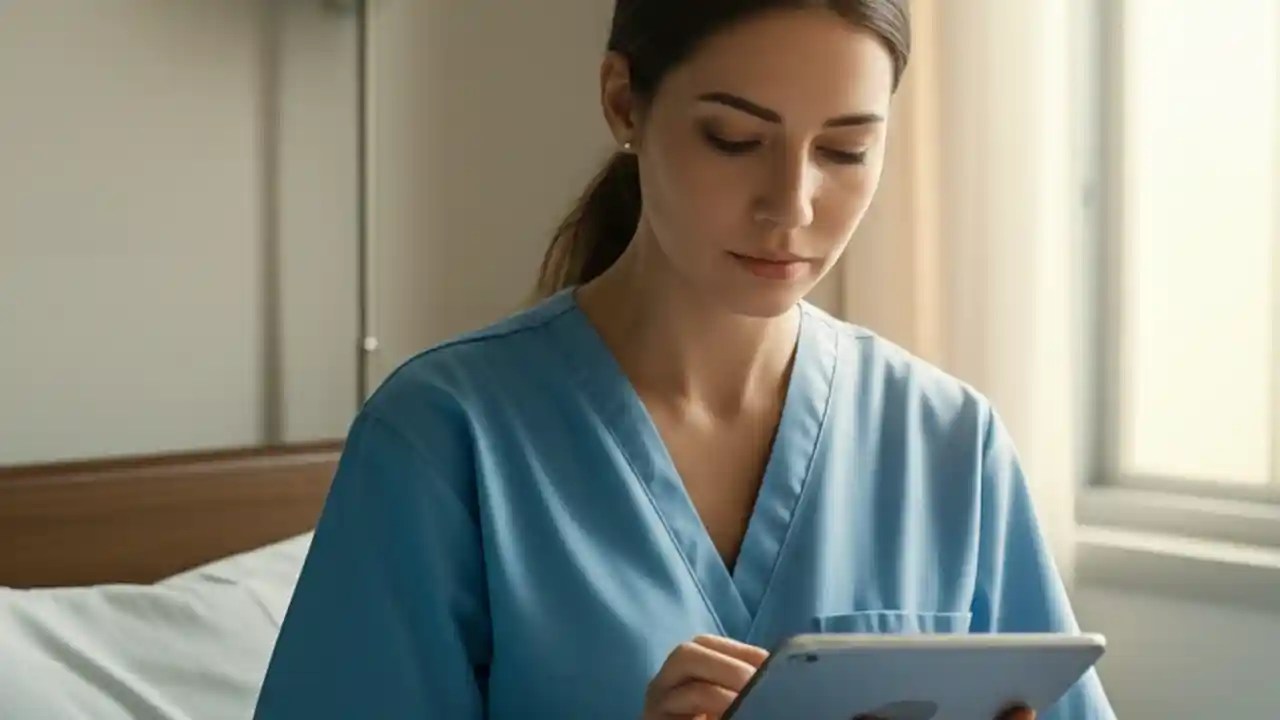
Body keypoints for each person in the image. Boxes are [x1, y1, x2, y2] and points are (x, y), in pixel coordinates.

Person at [254, 1, 1115, 718]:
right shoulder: (445, 438)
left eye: (845, 150)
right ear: (623, 102)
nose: (792, 204)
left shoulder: (950, 443)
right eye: (735, 139)